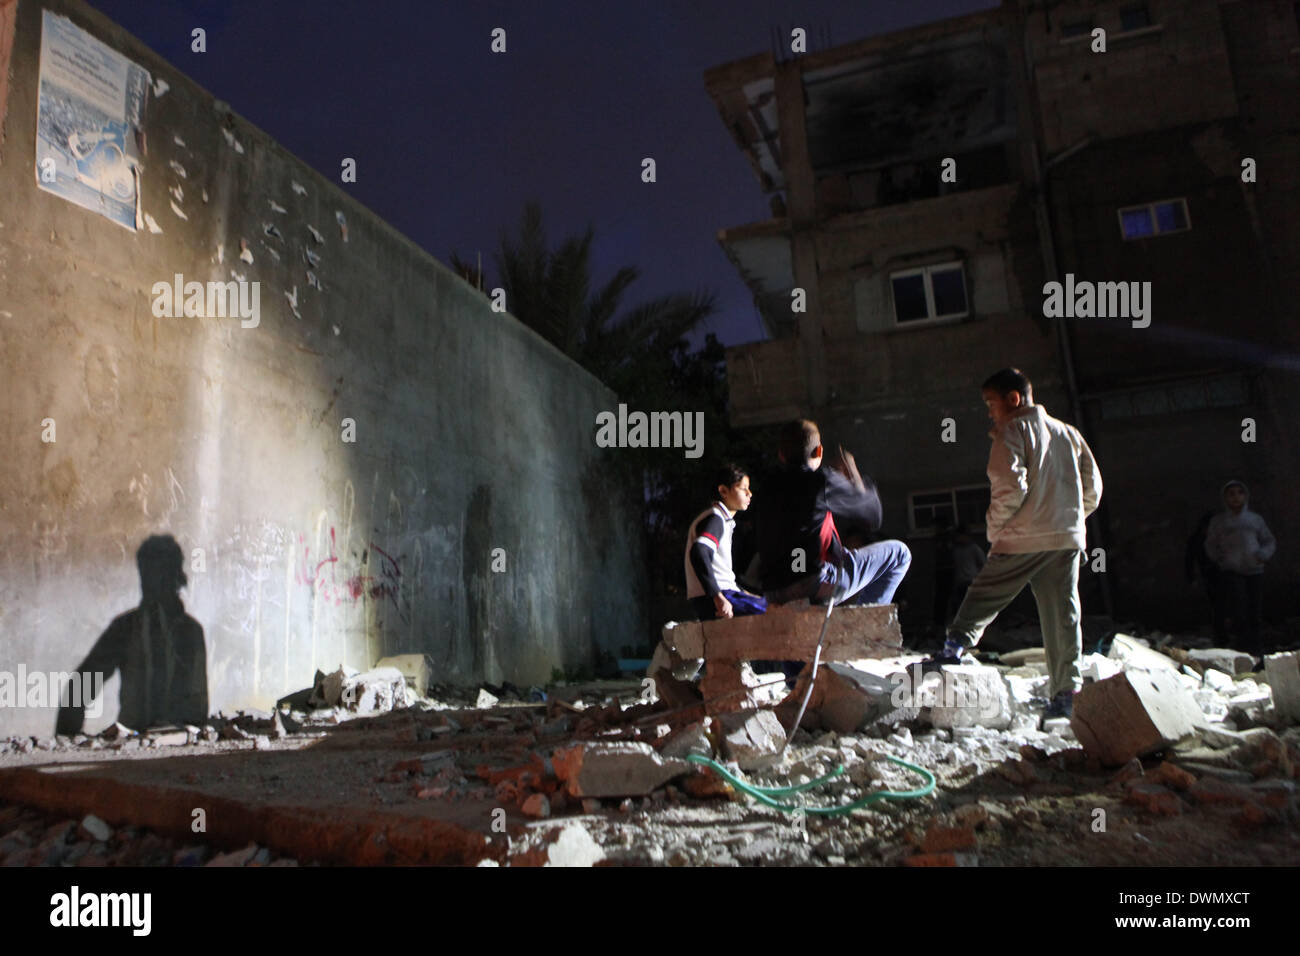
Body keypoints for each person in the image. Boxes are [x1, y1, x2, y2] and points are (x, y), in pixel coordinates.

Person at [931, 368, 1102, 719]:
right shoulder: (1069, 433)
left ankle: (954, 647)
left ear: (1013, 399)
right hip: (1065, 539)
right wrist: (1069, 520)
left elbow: (1009, 485)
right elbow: (1093, 488)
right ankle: (1066, 693)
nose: (989, 412)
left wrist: (995, 529)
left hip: (1021, 537)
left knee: (986, 592)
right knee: (1063, 615)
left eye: (991, 404)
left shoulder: (1012, 430)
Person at [755, 419, 911, 608]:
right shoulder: (820, 480)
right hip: (814, 586)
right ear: (818, 452)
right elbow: (874, 515)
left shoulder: (766, 487)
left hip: (772, 592)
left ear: (781, 455)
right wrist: (853, 479)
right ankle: (867, 626)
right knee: (899, 554)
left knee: (843, 559)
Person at [685, 464, 767, 620]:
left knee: (768, 604)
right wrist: (718, 597)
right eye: (743, 489)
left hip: (719, 593)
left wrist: (743, 593)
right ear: (723, 491)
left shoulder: (721, 519)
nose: (749, 494)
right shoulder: (716, 518)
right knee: (773, 612)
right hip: (715, 596)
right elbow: (699, 552)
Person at [1204, 480, 1274, 654]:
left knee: (1254, 611)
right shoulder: (1219, 522)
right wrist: (1219, 558)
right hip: (1232, 570)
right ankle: (1242, 648)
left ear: (1245, 496)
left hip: (1254, 570)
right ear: (1225, 498)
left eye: (1239, 493)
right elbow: (1210, 544)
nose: (1235, 497)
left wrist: (1263, 554)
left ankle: (1256, 650)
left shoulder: (1255, 520)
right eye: (1231, 494)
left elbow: (1269, 540)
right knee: (1238, 610)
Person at [1184, 509, 1220, 631]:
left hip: (1227, 573)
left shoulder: (1224, 538)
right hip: (1209, 574)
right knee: (1215, 603)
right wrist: (1192, 577)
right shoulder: (1198, 540)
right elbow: (1189, 558)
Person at [949, 525, 987, 618]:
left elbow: (983, 564)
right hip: (960, 581)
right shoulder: (956, 550)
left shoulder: (974, 548)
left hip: (971, 581)